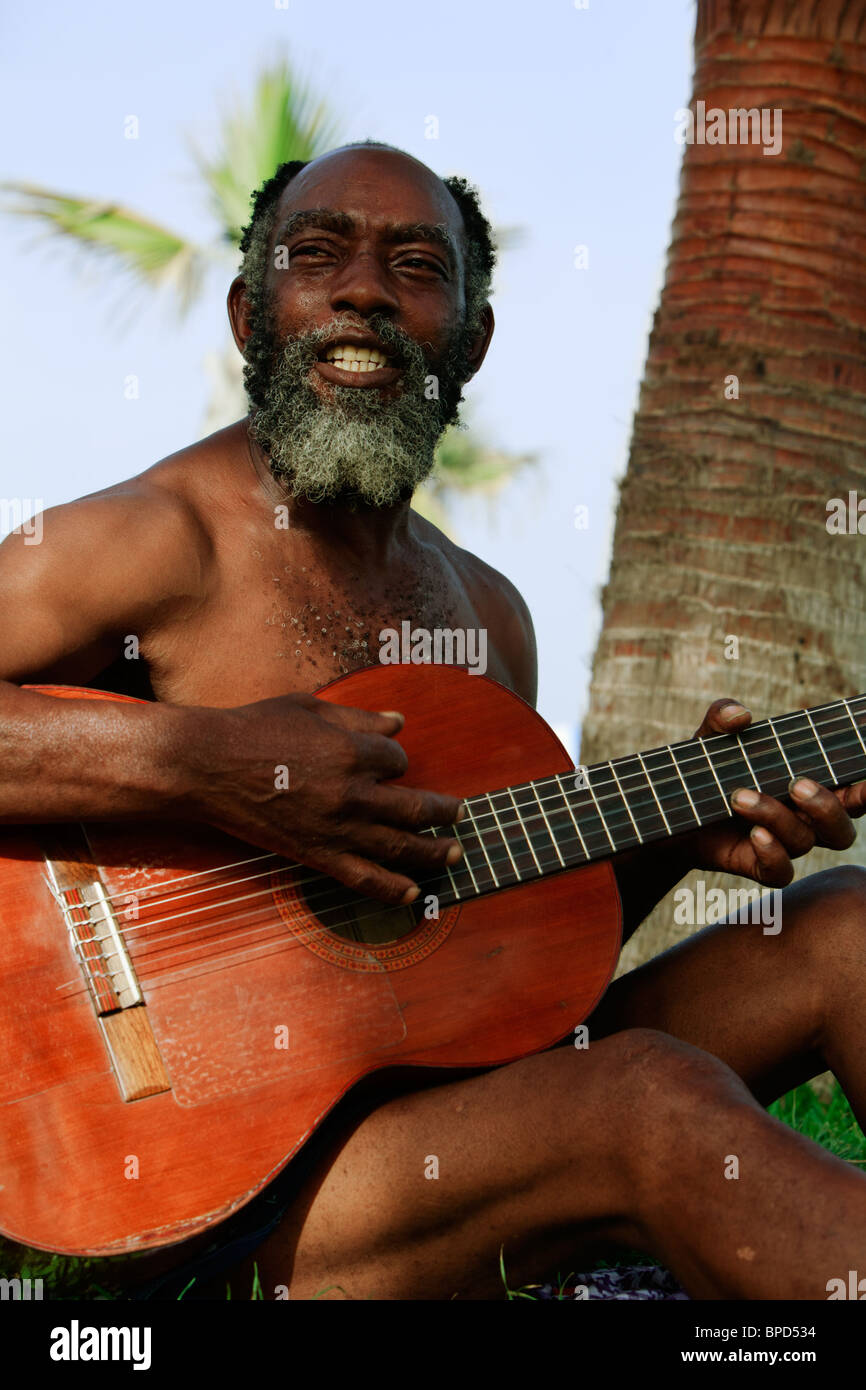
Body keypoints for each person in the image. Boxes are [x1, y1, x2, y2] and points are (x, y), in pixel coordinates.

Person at [3, 141, 866, 1301]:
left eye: (414, 264)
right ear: (251, 317)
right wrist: (215, 763)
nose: (362, 287)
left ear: (469, 340)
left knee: (847, 929)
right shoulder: (156, 538)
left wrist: (671, 836)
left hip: (429, 1138)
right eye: (317, 256)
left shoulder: (487, 616)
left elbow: (486, 972)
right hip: (214, 1186)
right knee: (645, 1101)